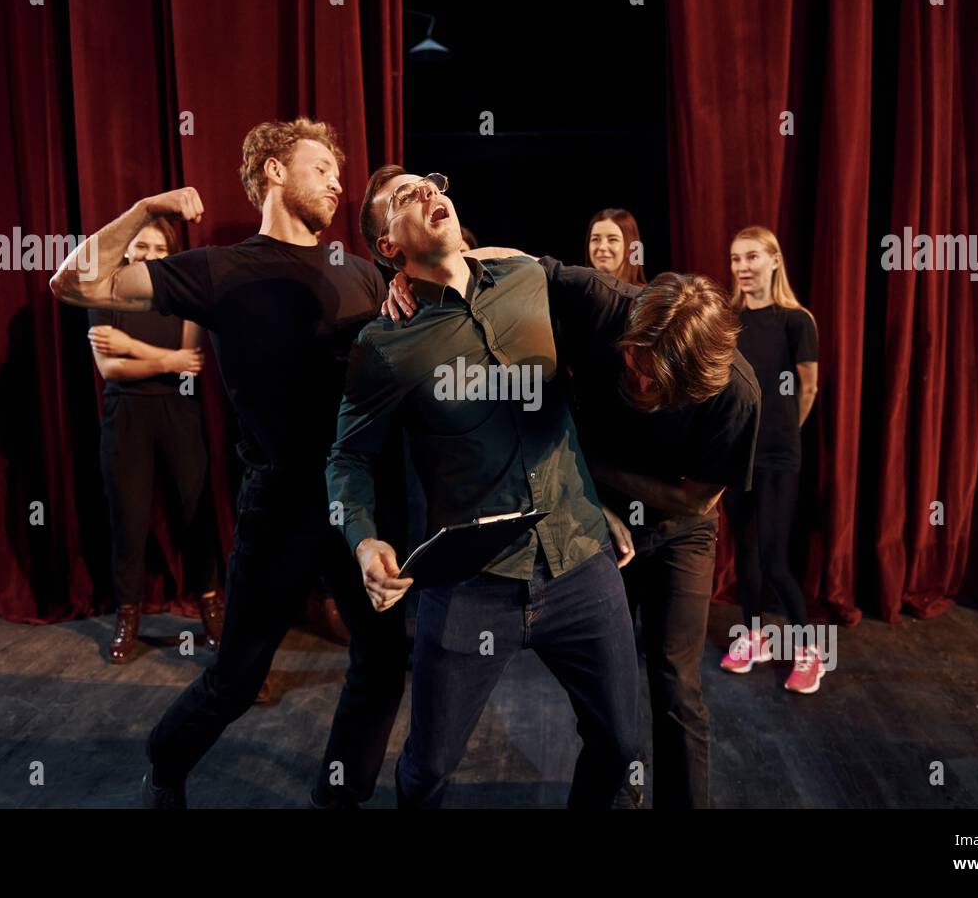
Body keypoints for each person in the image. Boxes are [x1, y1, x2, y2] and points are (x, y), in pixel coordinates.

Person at [50, 117, 409, 810]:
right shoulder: (219, 270)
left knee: (385, 660)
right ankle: (165, 761)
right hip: (279, 504)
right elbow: (74, 283)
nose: (337, 181)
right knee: (239, 678)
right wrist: (145, 210)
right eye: (320, 168)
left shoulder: (363, 274)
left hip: (360, 500)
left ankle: (340, 796)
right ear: (274, 172)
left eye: (339, 172)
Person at [384, 246, 761, 810]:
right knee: (613, 707)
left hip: (680, 527)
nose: (633, 378)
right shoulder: (604, 302)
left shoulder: (736, 395)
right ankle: (620, 788)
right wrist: (416, 272)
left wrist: (588, 469)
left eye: (650, 380)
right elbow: (512, 258)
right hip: (587, 516)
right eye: (631, 360)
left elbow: (697, 501)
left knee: (675, 682)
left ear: (691, 387)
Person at [329, 166, 643, 808]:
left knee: (620, 747)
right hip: (471, 583)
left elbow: (582, 396)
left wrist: (598, 493)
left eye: (430, 184)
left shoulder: (529, 279)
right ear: (389, 247)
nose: (427, 196)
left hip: (581, 561)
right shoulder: (385, 345)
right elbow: (347, 460)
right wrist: (363, 543)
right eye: (403, 200)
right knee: (428, 769)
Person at [86, 218, 223, 663]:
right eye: (139, 246)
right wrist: (166, 358)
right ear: (126, 252)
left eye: (157, 248)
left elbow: (191, 364)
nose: (146, 254)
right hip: (125, 414)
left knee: (194, 513)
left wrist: (128, 345)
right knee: (128, 518)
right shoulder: (102, 295)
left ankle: (210, 606)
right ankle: (128, 613)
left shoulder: (183, 298)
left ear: (170, 254)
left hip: (177, 411)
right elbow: (110, 371)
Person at [719, 225, 823, 693]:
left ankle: (808, 652)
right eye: (737, 259)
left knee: (776, 559)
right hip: (738, 456)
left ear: (774, 261)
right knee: (746, 556)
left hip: (779, 454)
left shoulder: (796, 320)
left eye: (752, 257)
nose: (742, 267)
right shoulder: (728, 321)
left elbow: (808, 387)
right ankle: (755, 637)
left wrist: (782, 432)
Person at [585, 208, 645, 285]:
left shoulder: (645, 296)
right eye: (595, 239)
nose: (602, 247)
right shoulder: (576, 293)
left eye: (612, 239)